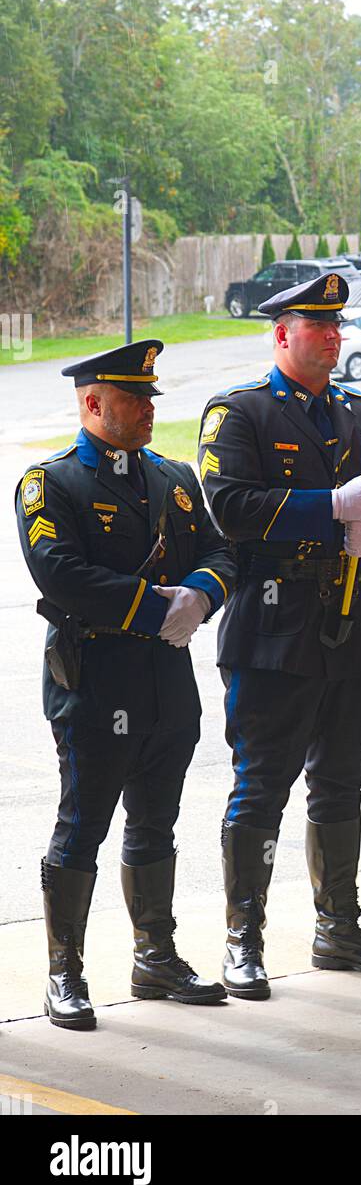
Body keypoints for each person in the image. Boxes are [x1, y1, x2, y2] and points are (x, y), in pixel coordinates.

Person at [198, 273, 361, 997]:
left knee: (341, 782)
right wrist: (323, 505)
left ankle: (340, 928)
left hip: (353, 624)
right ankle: (244, 938)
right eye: (315, 326)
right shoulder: (240, 414)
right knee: (261, 787)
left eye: (337, 326)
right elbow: (228, 506)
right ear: (281, 334)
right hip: (274, 627)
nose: (331, 337)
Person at [16, 340, 236, 1030]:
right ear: (92, 403)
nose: (148, 409)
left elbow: (221, 549)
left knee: (156, 819)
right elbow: (58, 570)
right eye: (134, 399)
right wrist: (154, 607)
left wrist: (201, 593)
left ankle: (155, 955)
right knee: (84, 823)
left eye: (149, 398)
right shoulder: (51, 483)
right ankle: (65, 972)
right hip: (97, 676)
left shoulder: (171, 476)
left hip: (166, 679)